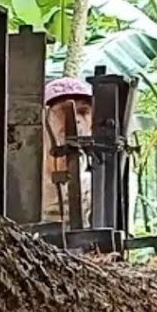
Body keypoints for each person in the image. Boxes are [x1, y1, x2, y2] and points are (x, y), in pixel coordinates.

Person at [42, 78, 93, 225]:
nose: (76, 119)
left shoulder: (98, 177)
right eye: (63, 111)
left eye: (83, 112)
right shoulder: (25, 176)